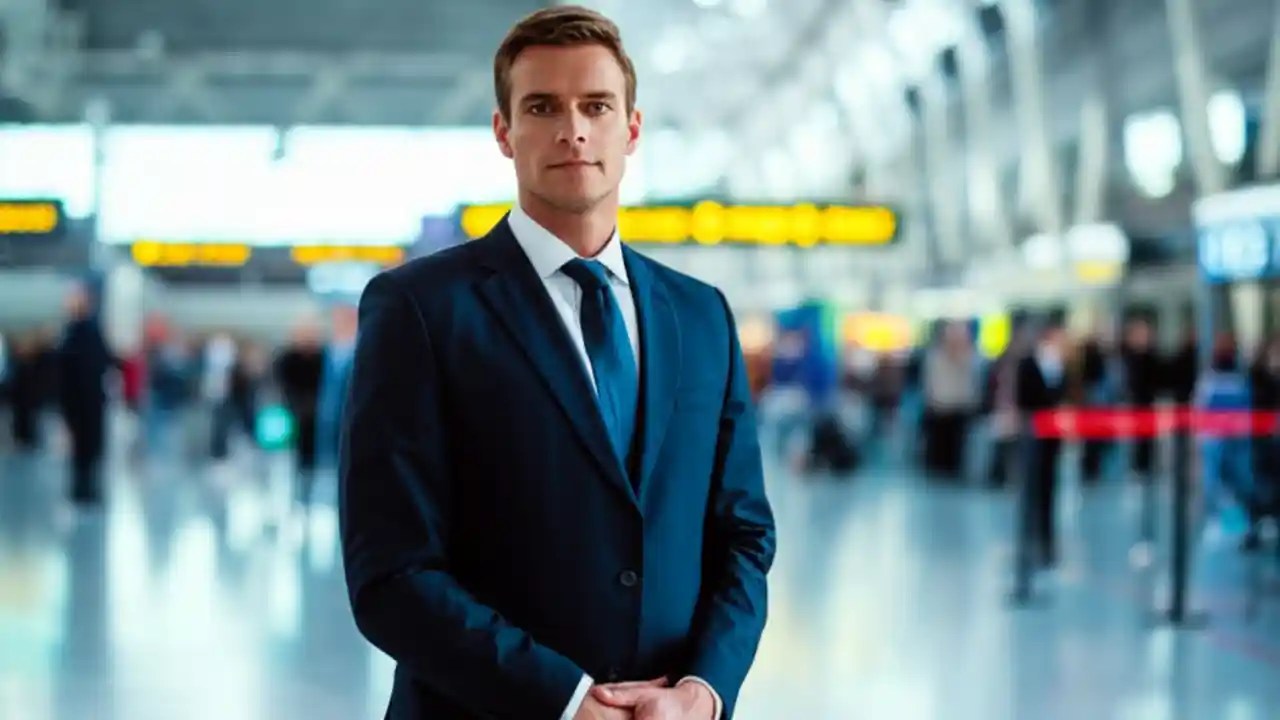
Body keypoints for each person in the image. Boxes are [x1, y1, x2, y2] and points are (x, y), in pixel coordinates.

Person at [339, 7, 775, 720]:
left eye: (596, 106)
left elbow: (744, 534)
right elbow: (392, 573)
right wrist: (568, 702)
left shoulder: (701, 318)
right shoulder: (419, 310)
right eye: (542, 107)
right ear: (503, 133)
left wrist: (704, 689)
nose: (572, 128)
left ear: (631, 129)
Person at [56, 284, 118, 505]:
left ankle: (88, 490)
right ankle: (81, 489)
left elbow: (105, 362)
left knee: (90, 449)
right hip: (78, 402)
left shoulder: (87, 333)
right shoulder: (73, 333)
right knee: (81, 450)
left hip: (90, 402)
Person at [1016, 321, 1069, 568]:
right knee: (1030, 492)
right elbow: (1023, 399)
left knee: (1049, 491)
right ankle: (1029, 543)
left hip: (1052, 440)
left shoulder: (1061, 366)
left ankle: (1047, 543)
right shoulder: (1028, 364)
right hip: (1032, 437)